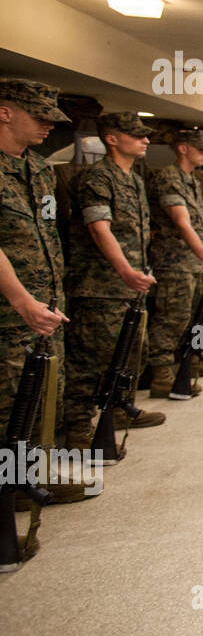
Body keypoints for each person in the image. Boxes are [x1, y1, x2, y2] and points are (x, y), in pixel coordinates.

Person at [0, 79, 87, 503]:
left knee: (40, 391)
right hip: (10, 309)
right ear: (5, 111)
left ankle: (26, 477)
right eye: (40, 116)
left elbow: (47, 233)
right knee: (7, 399)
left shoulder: (36, 168)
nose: (50, 126)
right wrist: (21, 300)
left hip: (45, 302)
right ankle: (8, 487)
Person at [64, 111, 164, 443]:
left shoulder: (134, 178)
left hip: (131, 283)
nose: (145, 140)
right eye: (137, 135)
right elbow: (98, 227)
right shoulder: (97, 177)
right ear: (112, 138)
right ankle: (77, 426)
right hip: (100, 285)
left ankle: (119, 408)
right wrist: (125, 271)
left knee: (132, 351)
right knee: (91, 357)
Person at [145, 128, 203, 399]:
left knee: (196, 317)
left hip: (193, 263)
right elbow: (181, 222)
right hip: (174, 262)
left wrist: (202, 258)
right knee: (172, 319)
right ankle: (162, 375)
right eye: (200, 148)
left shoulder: (191, 180)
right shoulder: (169, 177)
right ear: (183, 148)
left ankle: (192, 359)